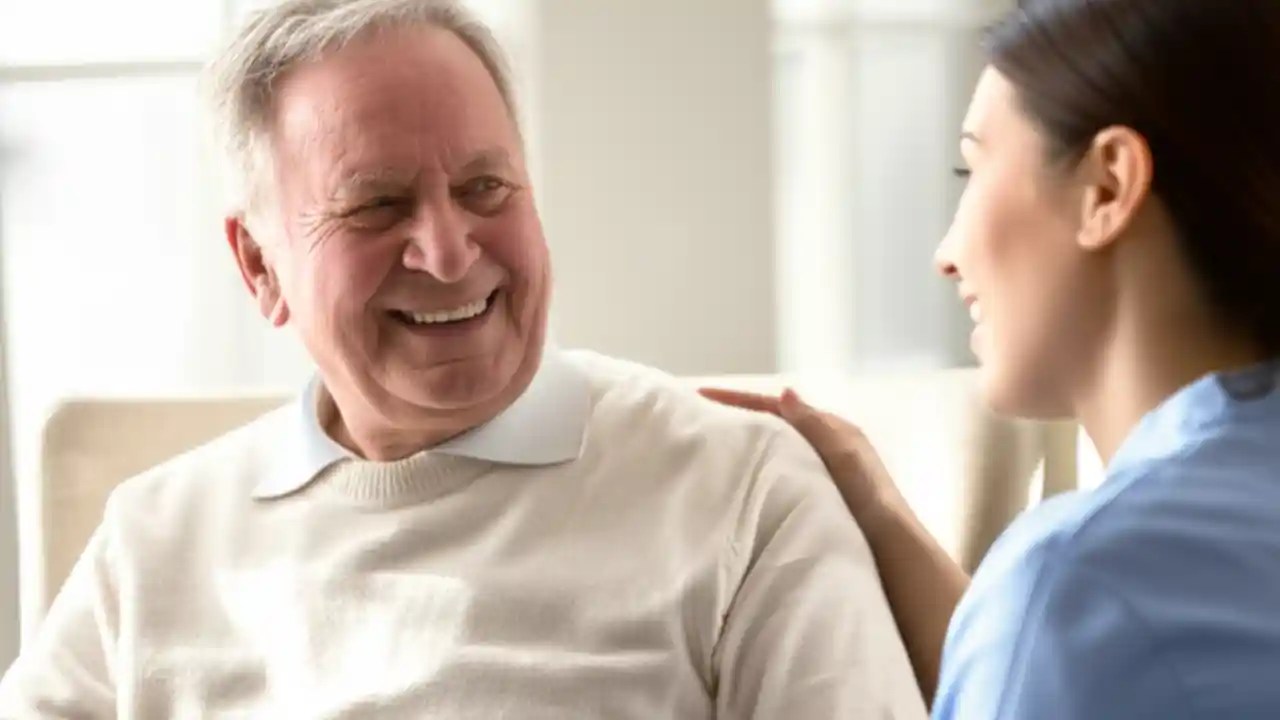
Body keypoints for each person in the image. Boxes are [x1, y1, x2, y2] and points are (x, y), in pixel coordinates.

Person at [0, 0, 929, 717]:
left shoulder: (741, 491)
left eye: (485, 187)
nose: (447, 252)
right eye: (375, 206)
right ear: (258, 265)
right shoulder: (153, 539)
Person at [708, 0, 1280, 717]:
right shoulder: (1132, 588)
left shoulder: (1084, 581)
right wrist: (876, 507)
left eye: (970, 168)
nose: (946, 256)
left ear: (1107, 186)